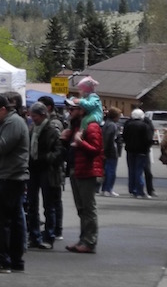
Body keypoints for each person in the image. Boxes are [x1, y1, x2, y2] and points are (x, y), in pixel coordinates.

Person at [0, 94, 29, 274]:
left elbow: (2, 146)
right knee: (14, 221)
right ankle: (14, 260)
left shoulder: (13, 123)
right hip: (9, 176)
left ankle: (4, 261)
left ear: (3, 109)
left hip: (10, 177)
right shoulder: (8, 122)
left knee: (0, 221)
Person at [64, 90, 104, 254]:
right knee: (81, 208)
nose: (69, 112)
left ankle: (89, 241)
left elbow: (96, 149)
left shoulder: (92, 126)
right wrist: (66, 139)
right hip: (77, 170)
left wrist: (80, 142)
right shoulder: (76, 126)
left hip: (88, 171)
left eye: (72, 109)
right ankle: (83, 239)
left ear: (82, 110)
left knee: (88, 208)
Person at [26, 101, 63, 250]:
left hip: (47, 171)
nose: (32, 118)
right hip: (33, 170)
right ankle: (34, 236)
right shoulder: (32, 129)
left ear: (42, 115)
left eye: (34, 116)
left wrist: (46, 158)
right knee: (32, 205)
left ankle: (49, 236)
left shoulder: (52, 130)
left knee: (49, 205)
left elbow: (59, 151)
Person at [123, 108, 153, 198]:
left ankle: (132, 189)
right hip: (141, 151)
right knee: (139, 171)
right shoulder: (145, 126)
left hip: (130, 150)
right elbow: (148, 139)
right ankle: (139, 191)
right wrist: (147, 148)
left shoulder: (128, 124)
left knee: (131, 170)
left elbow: (124, 136)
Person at [100, 107, 122, 197]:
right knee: (111, 171)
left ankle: (105, 188)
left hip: (107, 150)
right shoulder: (112, 125)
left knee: (107, 170)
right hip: (111, 151)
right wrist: (105, 151)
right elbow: (109, 139)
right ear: (115, 116)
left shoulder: (106, 124)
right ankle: (108, 189)